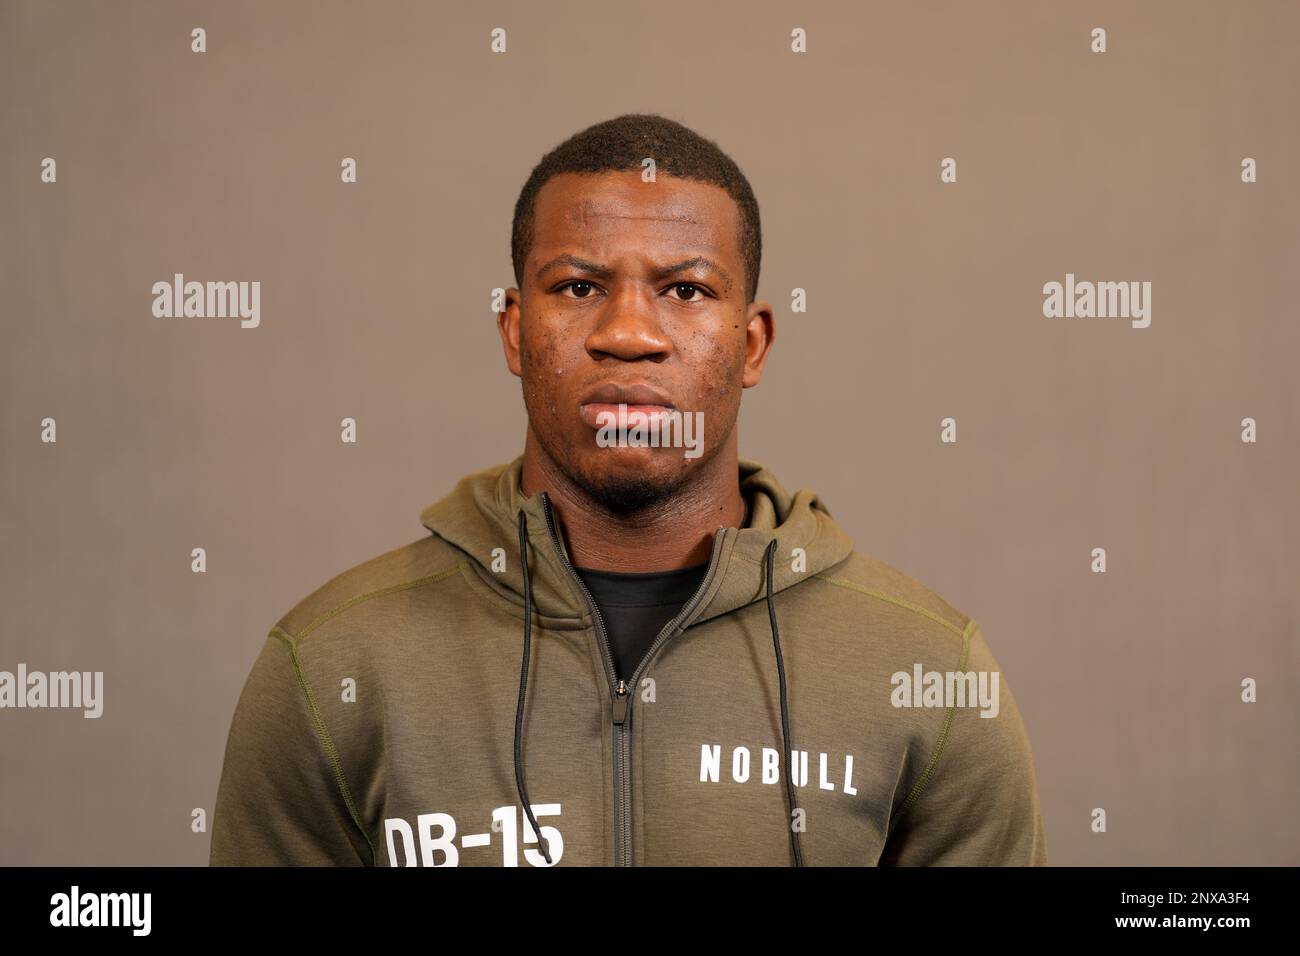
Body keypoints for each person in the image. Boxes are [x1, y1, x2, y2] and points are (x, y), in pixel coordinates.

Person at [210, 113, 1047, 867]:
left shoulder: (930, 672)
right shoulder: (333, 664)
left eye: (685, 290)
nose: (628, 334)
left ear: (752, 345)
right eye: (578, 287)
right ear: (513, 329)